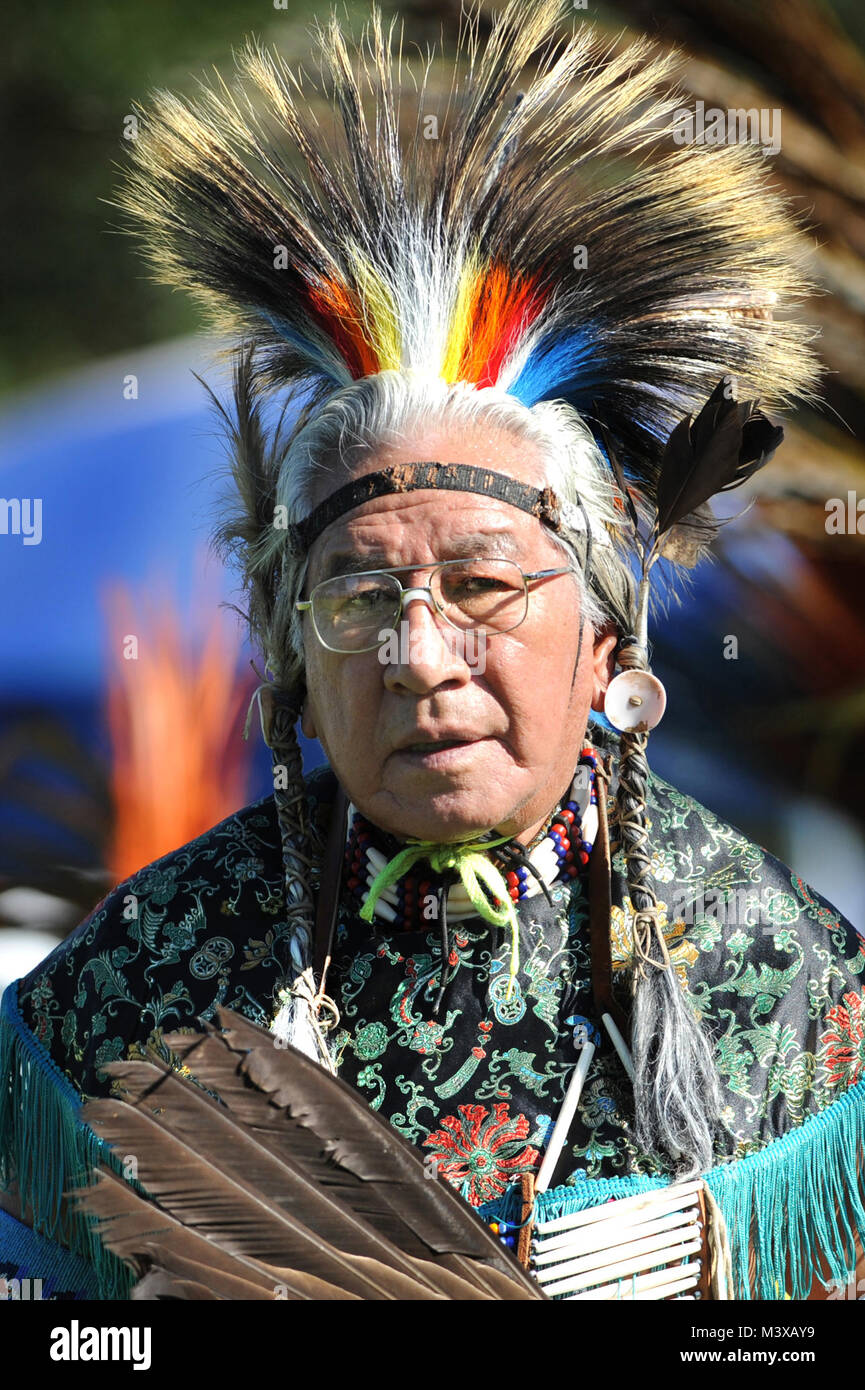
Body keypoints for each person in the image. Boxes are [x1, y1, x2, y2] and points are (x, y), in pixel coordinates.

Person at [2, 0, 864, 1302]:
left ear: (602, 639)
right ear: (290, 652)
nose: (416, 652)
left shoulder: (775, 969)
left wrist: (734, 1238)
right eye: (356, 597)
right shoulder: (137, 984)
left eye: (482, 584)